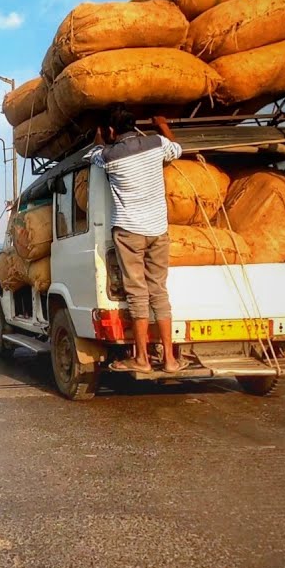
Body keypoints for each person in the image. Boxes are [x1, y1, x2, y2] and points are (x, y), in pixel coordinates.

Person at [85, 106, 185, 373]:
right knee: (159, 292)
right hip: (158, 230)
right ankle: (170, 360)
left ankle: (141, 359)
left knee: (137, 294)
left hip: (129, 232)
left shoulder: (108, 156)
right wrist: (161, 124)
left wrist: (99, 136)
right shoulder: (156, 144)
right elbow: (177, 148)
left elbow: (92, 154)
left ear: (110, 130)